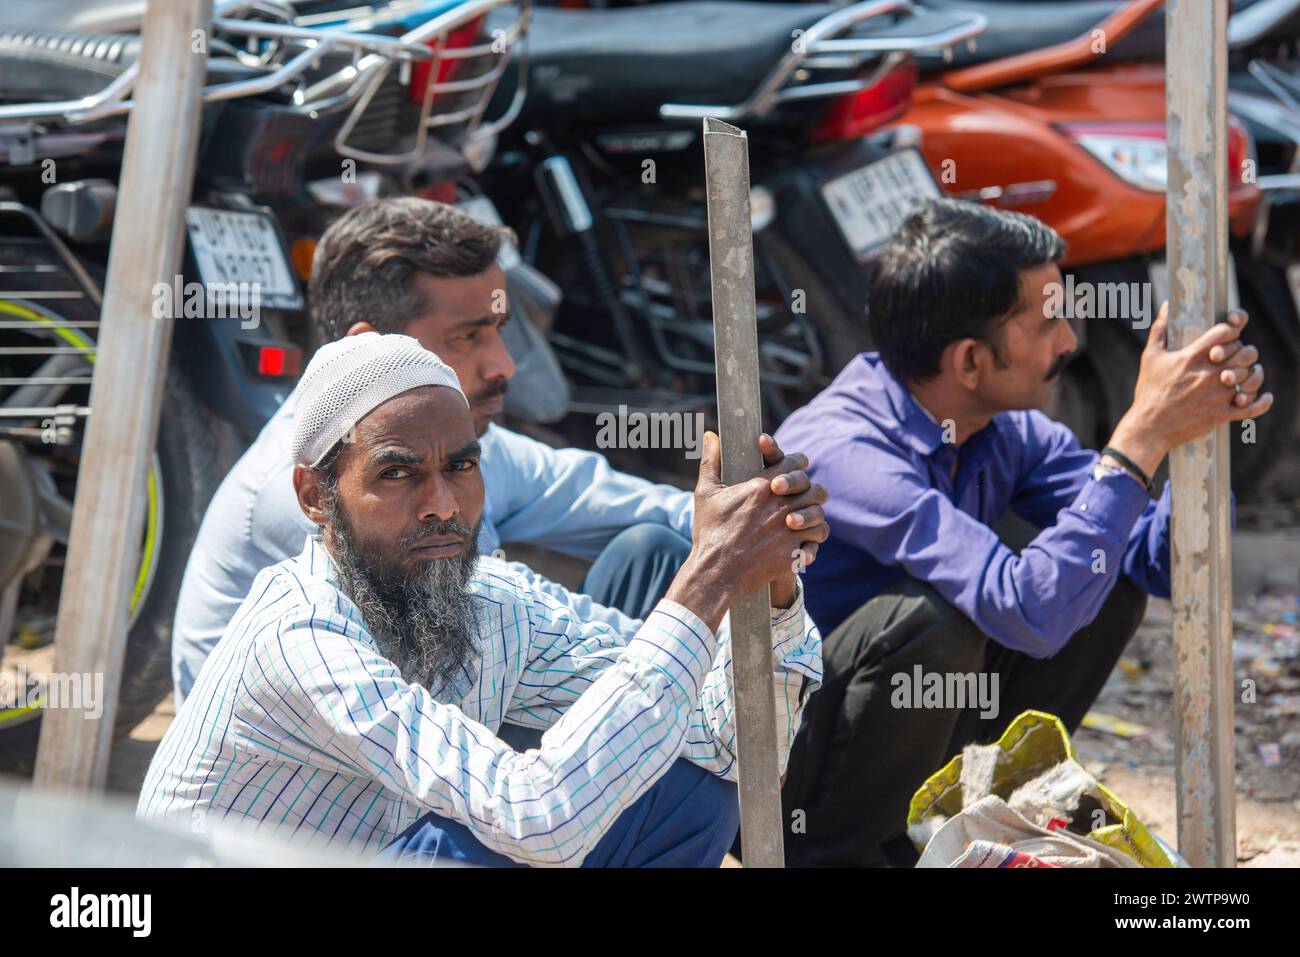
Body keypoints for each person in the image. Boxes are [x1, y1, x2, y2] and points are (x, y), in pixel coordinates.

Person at [138, 334, 828, 867]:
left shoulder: (493, 600)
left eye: (461, 467)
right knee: (475, 843)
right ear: (315, 497)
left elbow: (727, 745)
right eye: (398, 473)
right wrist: (706, 577)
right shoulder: (300, 635)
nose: (443, 505)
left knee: (685, 795)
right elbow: (539, 819)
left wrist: (771, 584)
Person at [775, 198, 1273, 866]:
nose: (1069, 341)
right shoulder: (845, 451)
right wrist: (1141, 434)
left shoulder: (1001, 426)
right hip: (783, 776)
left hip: (903, 743)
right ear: (972, 361)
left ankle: (954, 824)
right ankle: (842, 856)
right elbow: (1028, 610)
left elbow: (1161, 560)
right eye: (1047, 323)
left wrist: (1195, 435)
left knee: (1105, 573)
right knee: (931, 624)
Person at [171, 198, 695, 707]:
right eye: (468, 336)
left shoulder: (450, 440)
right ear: (372, 344)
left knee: (655, 552)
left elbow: (633, 503)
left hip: (444, 699)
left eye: (498, 330)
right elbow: (500, 628)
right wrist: (690, 656)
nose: (504, 365)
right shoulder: (320, 486)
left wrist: (763, 509)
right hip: (336, 772)